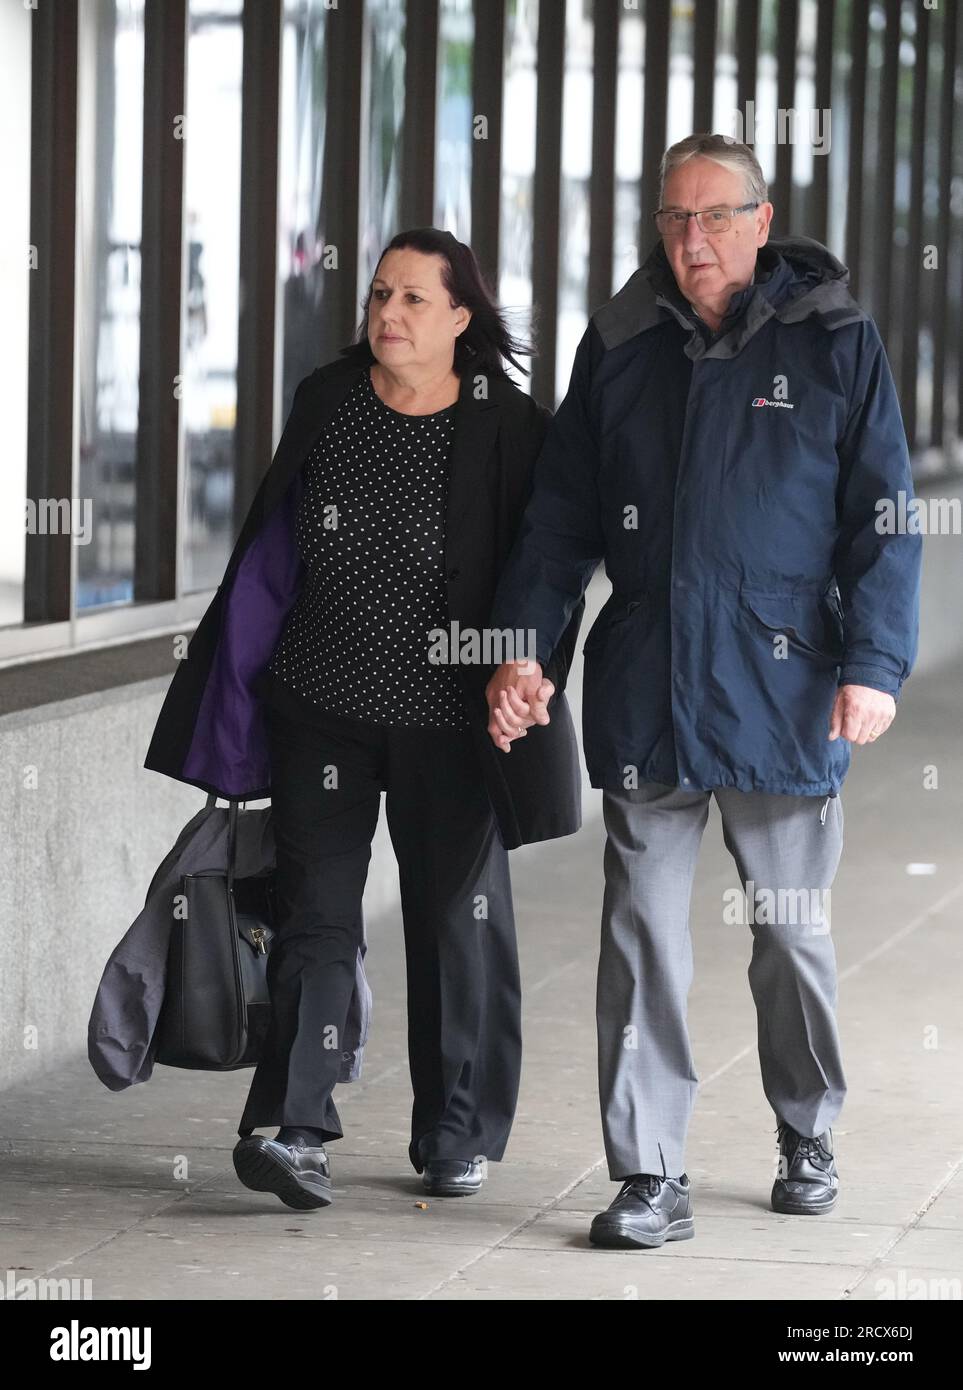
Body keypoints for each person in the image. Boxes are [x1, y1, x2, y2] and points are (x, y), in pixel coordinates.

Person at [485, 134, 922, 1249]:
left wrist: (875, 662)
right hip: (648, 681)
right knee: (639, 932)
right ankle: (649, 1173)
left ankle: (806, 1126)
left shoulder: (835, 341)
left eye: (718, 216)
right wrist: (525, 648)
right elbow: (558, 520)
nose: (695, 241)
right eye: (677, 219)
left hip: (783, 684)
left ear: (762, 220)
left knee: (788, 932)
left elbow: (884, 513)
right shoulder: (622, 344)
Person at [144, 228, 584, 1210]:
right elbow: (272, 543)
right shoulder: (328, 400)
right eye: (380, 294)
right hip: (323, 707)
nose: (387, 313)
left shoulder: (511, 426)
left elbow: (547, 570)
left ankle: (454, 1133)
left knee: (450, 920)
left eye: (413, 299)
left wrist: (526, 670)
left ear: (461, 318)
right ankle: (297, 1127)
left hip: (449, 720)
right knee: (316, 916)